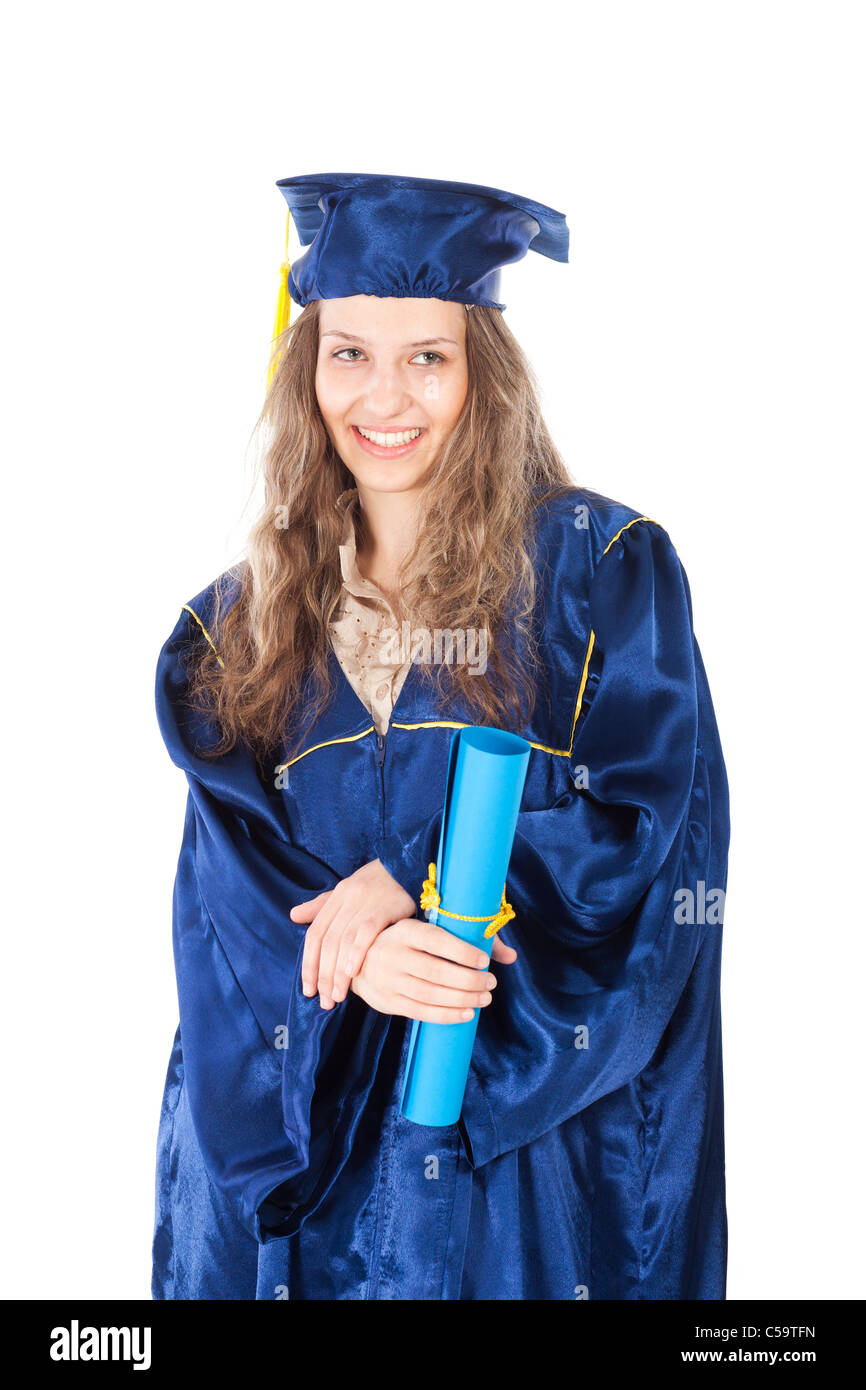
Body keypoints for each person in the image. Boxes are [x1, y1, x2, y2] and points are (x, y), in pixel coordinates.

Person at [151, 172, 730, 1301]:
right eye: (348, 352)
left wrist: (420, 886)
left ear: (483, 374)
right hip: (307, 1185)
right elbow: (220, 903)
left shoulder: (591, 577)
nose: (386, 396)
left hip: (513, 1176)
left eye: (426, 354)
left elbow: (658, 846)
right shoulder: (238, 626)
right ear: (304, 368)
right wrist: (351, 950)